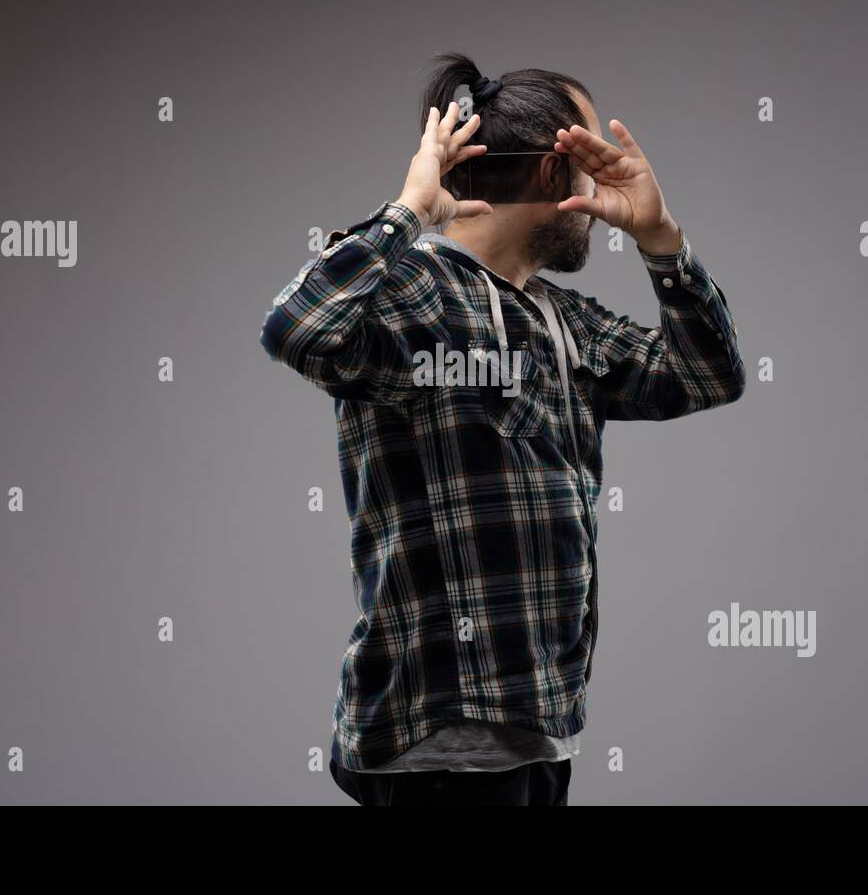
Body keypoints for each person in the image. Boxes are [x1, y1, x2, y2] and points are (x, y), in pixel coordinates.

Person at [261, 52, 746, 805]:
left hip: (539, 731)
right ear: (556, 174)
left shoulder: (565, 318)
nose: (602, 181)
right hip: (440, 744)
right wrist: (410, 211)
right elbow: (298, 328)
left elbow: (706, 376)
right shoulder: (414, 289)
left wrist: (661, 239)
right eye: (592, 160)